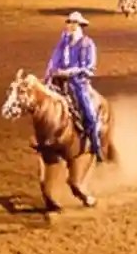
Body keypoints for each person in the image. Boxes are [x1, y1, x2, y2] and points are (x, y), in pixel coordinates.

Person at [44, 11, 104, 161]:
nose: (70, 25)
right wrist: (50, 73)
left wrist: (69, 72)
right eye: (69, 22)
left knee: (87, 110)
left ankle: (95, 144)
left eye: (73, 23)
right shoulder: (63, 42)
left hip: (78, 82)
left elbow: (89, 67)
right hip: (58, 80)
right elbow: (54, 59)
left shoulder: (87, 44)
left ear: (80, 25)